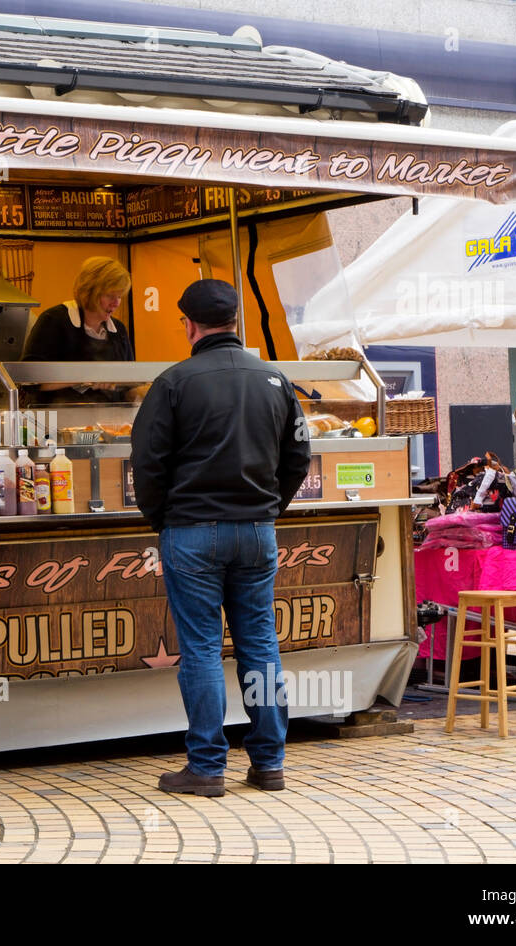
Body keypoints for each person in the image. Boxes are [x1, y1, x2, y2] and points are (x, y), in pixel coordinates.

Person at [130, 279, 311, 797]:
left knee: (204, 649)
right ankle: (270, 764)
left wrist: (161, 519)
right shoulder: (275, 380)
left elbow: (147, 463)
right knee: (260, 644)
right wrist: (269, 506)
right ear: (236, 322)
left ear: (188, 324)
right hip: (258, 532)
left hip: (192, 533)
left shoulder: (173, 383)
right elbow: (298, 455)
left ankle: (207, 768)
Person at [21, 256, 135, 403]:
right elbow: (30, 380)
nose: (116, 303)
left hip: (108, 421)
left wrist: (145, 392)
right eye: (110, 296)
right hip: (54, 420)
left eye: (119, 297)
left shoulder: (118, 330)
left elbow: (129, 384)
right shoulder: (54, 320)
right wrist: (86, 377)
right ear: (89, 291)